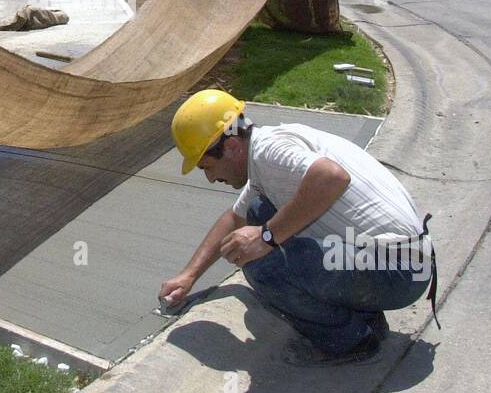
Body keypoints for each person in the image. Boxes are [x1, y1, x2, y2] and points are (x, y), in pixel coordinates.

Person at [160, 89, 437, 364]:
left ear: (232, 147)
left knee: (263, 267)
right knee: (259, 211)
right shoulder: (264, 151)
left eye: (207, 167)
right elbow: (235, 218)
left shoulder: (271, 154)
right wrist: (188, 276)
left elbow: (331, 177)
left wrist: (266, 237)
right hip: (397, 261)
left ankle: (349, 342)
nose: (210, 178)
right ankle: (367, 318)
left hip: (399, 271)